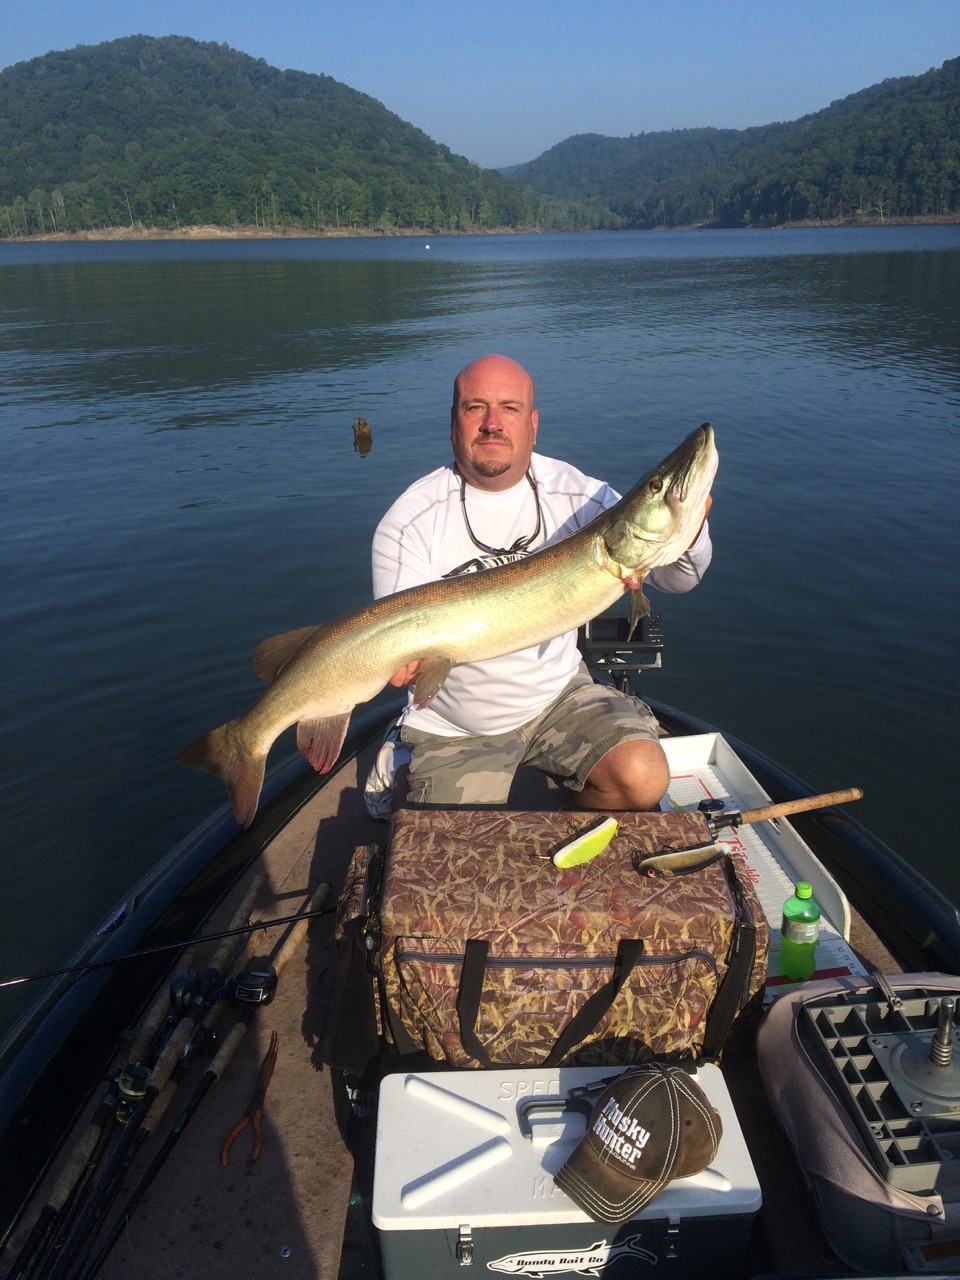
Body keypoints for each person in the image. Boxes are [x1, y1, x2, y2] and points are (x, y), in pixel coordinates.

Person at [369, 354, 712, 813]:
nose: (493, 423)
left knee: (643, 777)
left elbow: (679, 578)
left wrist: (689, 525)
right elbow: (396, 652)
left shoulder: (580, 495)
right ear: (453, 423)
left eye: (509, 408)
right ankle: (404, 745)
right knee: (460, 865)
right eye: (476, 408)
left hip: (557, 697)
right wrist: (399, 665)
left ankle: (554, 844)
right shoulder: (408, 523)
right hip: (457, 722)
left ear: (533, 424)